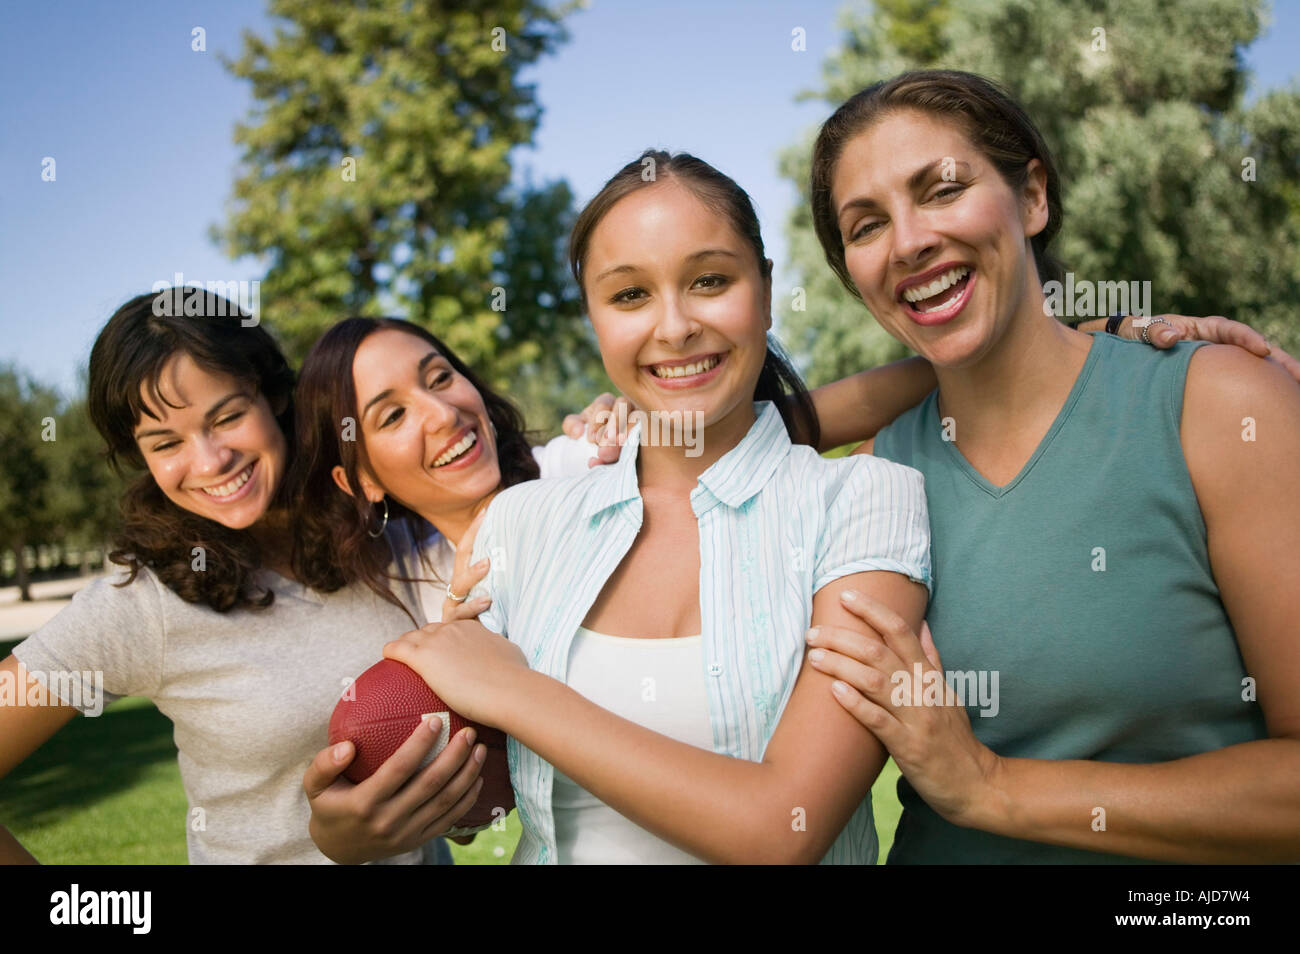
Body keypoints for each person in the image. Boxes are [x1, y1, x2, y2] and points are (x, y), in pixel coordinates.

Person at [795, 69, 1300, 863]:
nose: (908, 240)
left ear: (1032, 198)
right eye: (865, 227)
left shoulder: (1219, 405)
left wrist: (991, 786)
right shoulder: (875, 475)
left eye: (942, 189)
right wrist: (622, 436)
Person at [381, 150, 934, 865]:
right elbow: (487, 805)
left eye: (709, 281)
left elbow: (785, 828)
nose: (673, 327)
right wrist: (367, 820)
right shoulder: (521, 523)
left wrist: (513, 692)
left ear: (765, 293)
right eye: (630, 296)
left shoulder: (864, 500)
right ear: (594, 320)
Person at [0, 290, 480, 864]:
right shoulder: (141, 606)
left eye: (227, 417)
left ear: (273, 393)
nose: (209, 462)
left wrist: (599, 438)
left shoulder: (382, 531)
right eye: (166, 443)